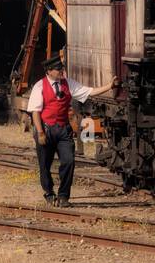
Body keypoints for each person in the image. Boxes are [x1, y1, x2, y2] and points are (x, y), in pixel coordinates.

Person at [27, 54, 116, 207]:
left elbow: (89, 91)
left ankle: (63, 196)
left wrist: (109, 86)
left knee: (69, 161)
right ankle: (49, 193)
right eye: (58, 69)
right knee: (44, 164)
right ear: (49, 71)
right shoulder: (39, 86)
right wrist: (40, 133)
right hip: (46, 129)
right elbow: (35, 112)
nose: (61, 71)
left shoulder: (68, 84)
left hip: (63, 130)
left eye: (62, 68)